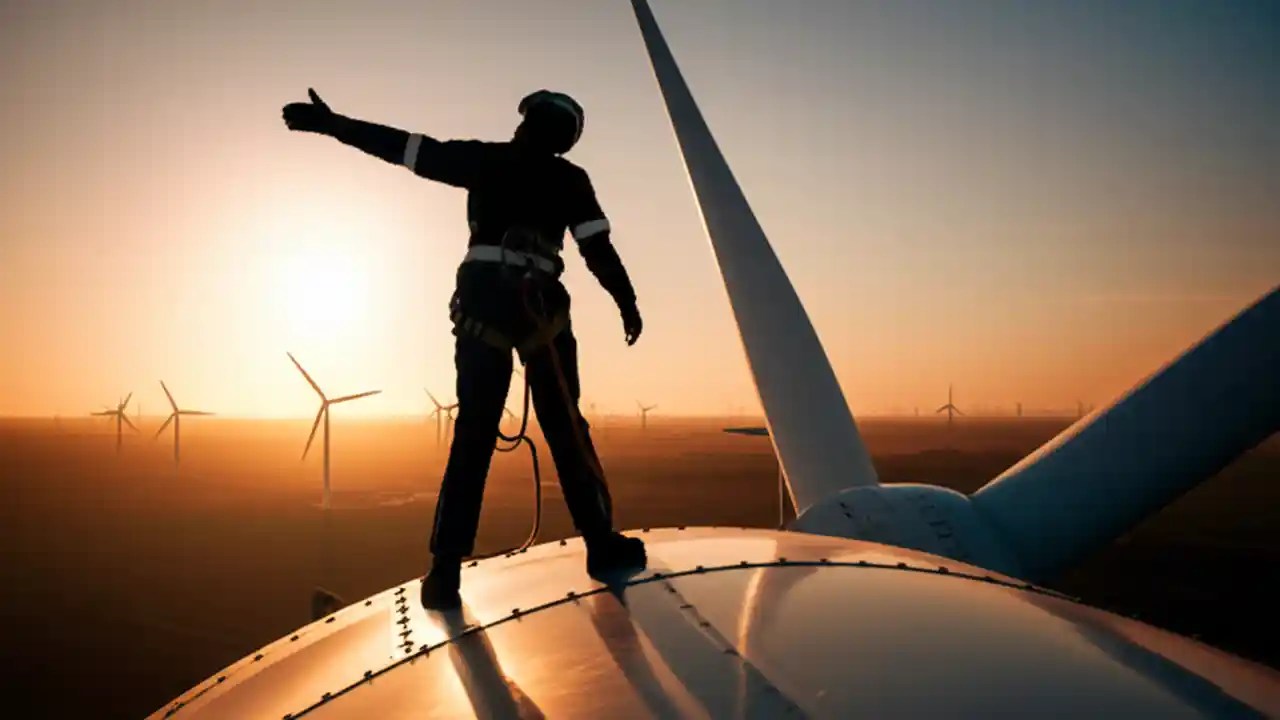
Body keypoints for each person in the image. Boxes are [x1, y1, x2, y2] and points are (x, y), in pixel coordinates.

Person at [282, 87, 647, 610]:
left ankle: (445, 571)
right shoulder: (568, 180)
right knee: (565, 427)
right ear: (566, 138)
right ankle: (599, 545)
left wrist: (336, 124)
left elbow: (411, 150)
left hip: (486, 307)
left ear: (536, 127)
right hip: (541, 309)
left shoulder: (489, 161)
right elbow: (596, 247)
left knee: (475, 436)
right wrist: (625, 299)